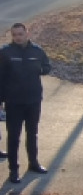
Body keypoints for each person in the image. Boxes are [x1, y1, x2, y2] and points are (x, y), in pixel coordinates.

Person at [0, 23, 51, 183]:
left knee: (32, 133)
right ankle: (13, 170)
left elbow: (47, 67)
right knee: (14, 136)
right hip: (13, 102)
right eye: (14, 35)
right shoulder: (5, 52)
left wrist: (41, 69)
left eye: (20, 34)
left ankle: (34, 163)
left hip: (33, 100)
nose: (17, 37)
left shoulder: (37, 51)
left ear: (27, 33)